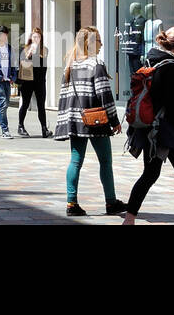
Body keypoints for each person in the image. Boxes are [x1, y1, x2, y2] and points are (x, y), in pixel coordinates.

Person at [123, 27, 174, 225]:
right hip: (170, 132)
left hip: (152, 129)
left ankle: (129, 218)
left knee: (150, 174)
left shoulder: (151, 59)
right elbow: (173, 103)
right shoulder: (172, 67)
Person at [54, 27, 128, 217]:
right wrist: (114, 120)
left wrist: (64, 120)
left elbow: (64, 95)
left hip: (74, 119)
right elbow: (104, 94)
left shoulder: (70, 64)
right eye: (99, 41)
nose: (102, 44)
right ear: (90, 43)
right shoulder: (96, 64)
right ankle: (111, 202)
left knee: (75, 161)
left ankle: (71, 203)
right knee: (105, 161)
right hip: (95, 119)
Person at [17, 27, 52, 138]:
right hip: (27, 81)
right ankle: (20, 126)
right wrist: (29, 54)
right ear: (31, 38)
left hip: (40, 81)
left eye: (39, 37)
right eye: (34, 36)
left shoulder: (44, 50)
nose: (37, 38)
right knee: (25, 103)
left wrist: (36, 51)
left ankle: (44, 128)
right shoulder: (25, 50)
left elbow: (40, 63)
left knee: (41, 105)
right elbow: (23, 64)